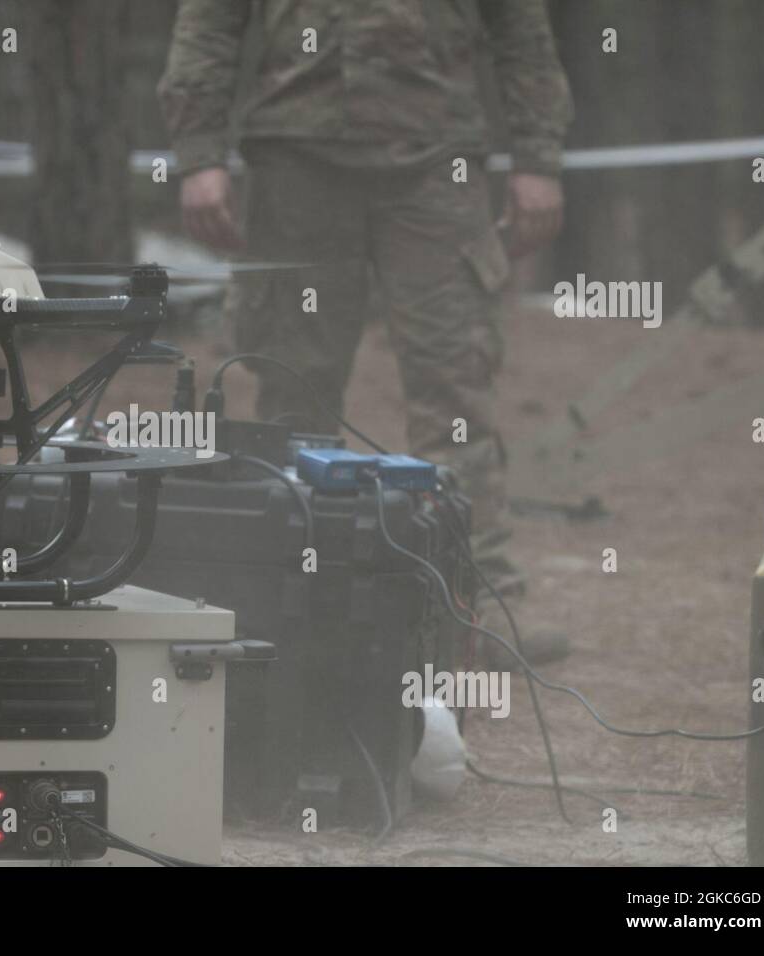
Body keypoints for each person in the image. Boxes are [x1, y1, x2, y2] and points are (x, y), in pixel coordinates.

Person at [159, 0, 574, 662]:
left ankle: (469, 607)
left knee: (453, 383)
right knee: (294, 390)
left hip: (437, 157)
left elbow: (520, 27)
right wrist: (198, 153)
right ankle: (294, 599)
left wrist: (538, 157)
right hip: (296, 156)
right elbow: (209, 21)